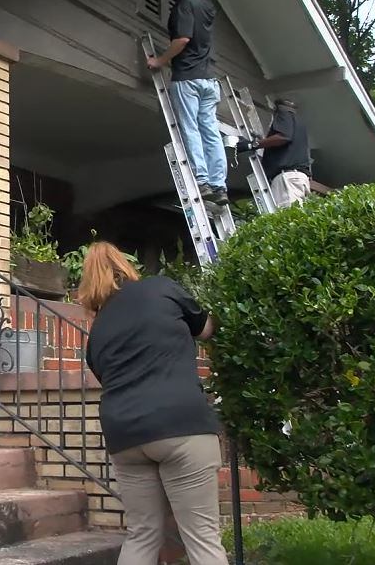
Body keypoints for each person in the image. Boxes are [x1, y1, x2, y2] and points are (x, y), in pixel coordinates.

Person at [80, 242, 228, 565]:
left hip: (126, 437)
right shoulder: (161, 288)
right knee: (202, 538)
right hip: (180, 424)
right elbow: (206, 329)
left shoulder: (97, 334)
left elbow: (109, 379)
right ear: (124, 265)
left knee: (142, 534)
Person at [147, 0, 228, 205]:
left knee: (191, 128)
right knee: (211, 132)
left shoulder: (184, 5)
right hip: (208, 79)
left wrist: (159, 60)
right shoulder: (207, 6)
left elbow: (182, 39)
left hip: (188, 78)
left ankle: (202, 181)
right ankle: (219, 185)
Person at [236, 98, 311, 209]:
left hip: (287, 178)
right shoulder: (298, 123)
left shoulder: (283, 114)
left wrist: (252, 145)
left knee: (287, 216)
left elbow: (283, 137)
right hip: (297, 178)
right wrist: (264, 141)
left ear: (276, 109)